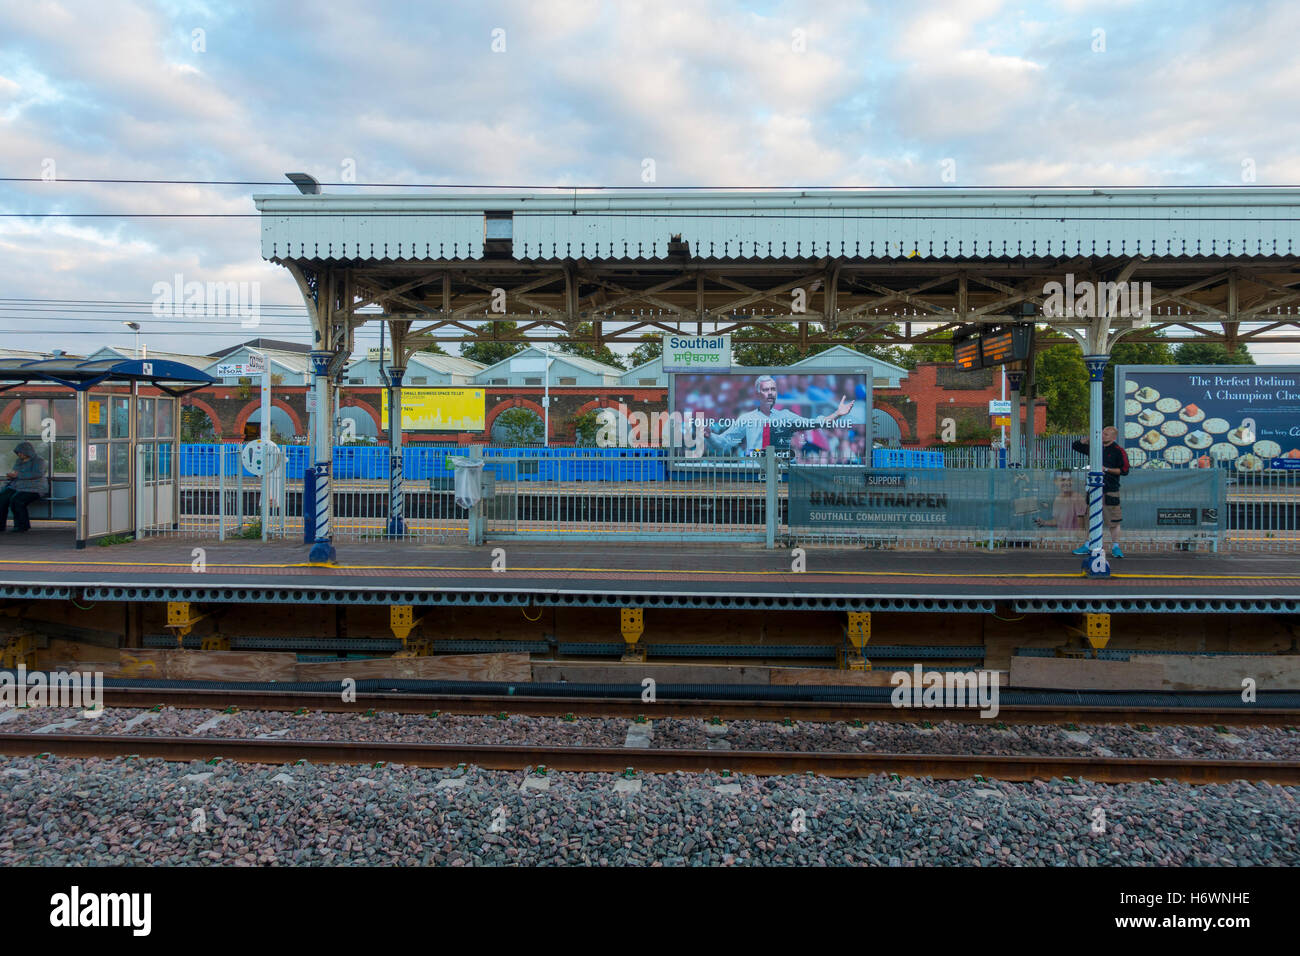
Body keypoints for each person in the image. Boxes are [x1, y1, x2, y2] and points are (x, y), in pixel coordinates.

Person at [703, 375, 855, 459]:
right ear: (757, 394)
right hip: (753, 474)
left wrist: (836, 414)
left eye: (773, 389)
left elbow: (815, 423)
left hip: (781, 475)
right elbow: (723, 443)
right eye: (766, 390)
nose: (770, 393)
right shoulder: (746, 418)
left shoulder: (787, 416)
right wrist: (710, 437)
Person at [1070, 426, 1129, 558]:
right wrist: (1089, 438)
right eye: (1102, 433)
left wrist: (1106, 469)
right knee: (1089, 518)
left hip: (1110, 490)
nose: (1103, 436)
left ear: (1113, 437)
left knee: (1114, 520)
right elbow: (1075, 446)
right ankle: (1087, 544)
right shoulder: (1096, 448)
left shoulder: (1118, 451)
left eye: (1106, 434)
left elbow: (1124, 470)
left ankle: (1115, 546)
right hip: (1093, 490)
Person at [0, 442, 47, 534]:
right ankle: (1, 525)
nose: (19, 454)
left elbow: (38, 474)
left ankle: (21, 525)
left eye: (21, 452)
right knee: (2, 498)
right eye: (18, 453)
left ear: (28, 451)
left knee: (17, 500)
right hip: (17, 486)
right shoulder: (19, 461)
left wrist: (18, 475)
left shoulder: (39, 461)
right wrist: (11, 476)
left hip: (34, 488)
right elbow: (15, 472)